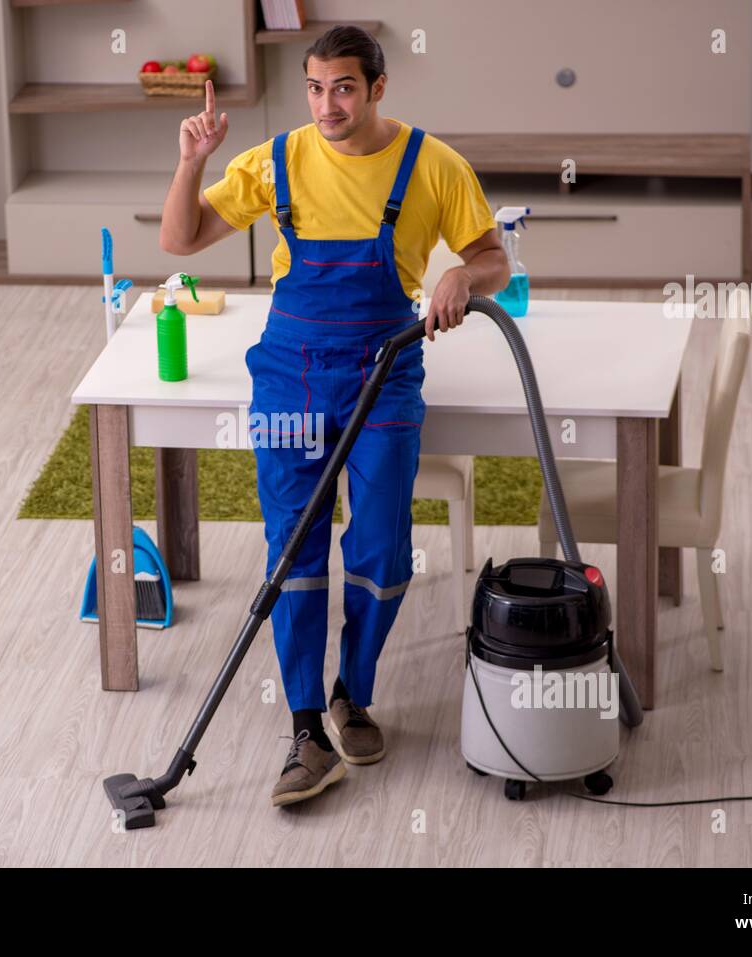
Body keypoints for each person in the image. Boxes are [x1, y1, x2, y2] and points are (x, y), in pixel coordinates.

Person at [160, 25, 509, 806]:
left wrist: (462, 272)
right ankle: (306, 725)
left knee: (383, 549)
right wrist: (193, 161)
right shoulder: (277, 160)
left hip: (384, 376)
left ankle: (354, 688)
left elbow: (495, 256)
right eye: (315, 89)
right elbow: (180, 238)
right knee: (294, 551)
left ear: (378, 87)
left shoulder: (433, 164)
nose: (327, 105)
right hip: (291, 378)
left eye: (343, 88)